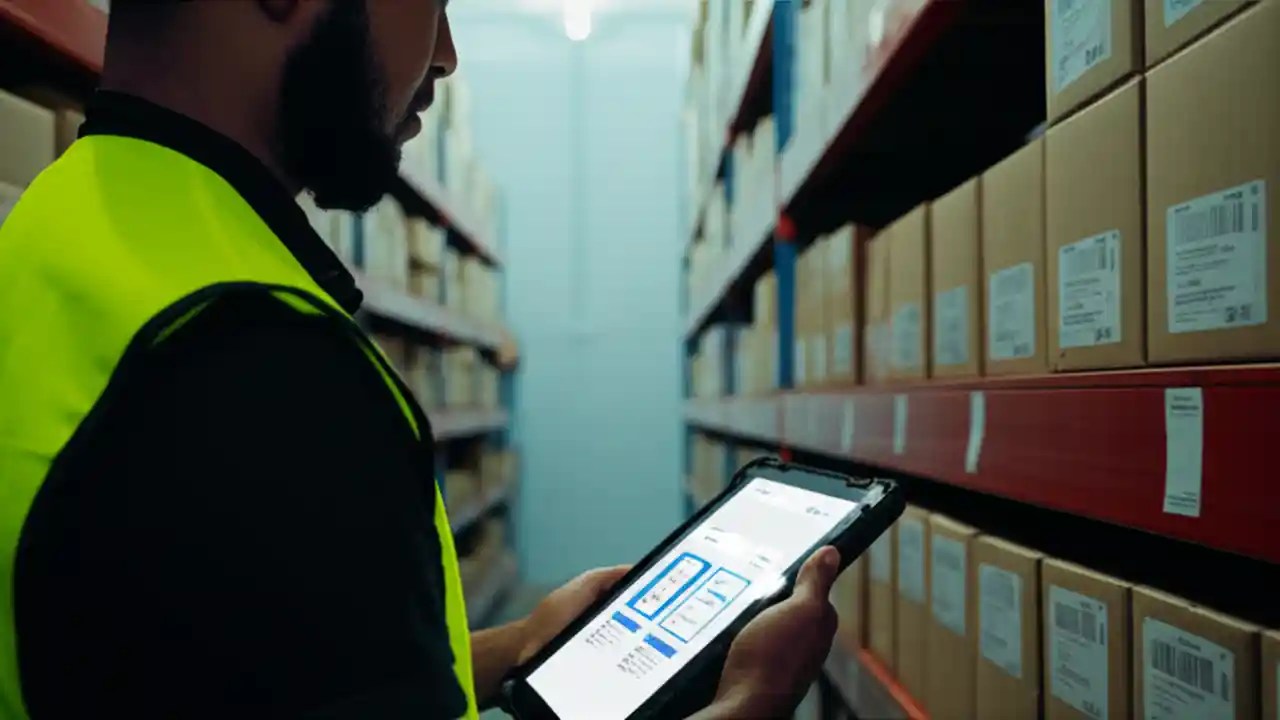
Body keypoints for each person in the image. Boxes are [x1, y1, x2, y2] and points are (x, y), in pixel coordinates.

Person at [0, 1, 841, 718]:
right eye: (432, 5)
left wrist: (515, 646)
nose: (445, 56)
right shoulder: (256, 362)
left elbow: (222, 671)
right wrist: (745, 703)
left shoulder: (53, 230)